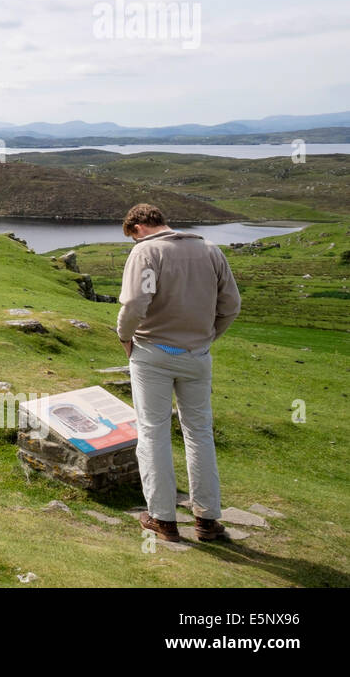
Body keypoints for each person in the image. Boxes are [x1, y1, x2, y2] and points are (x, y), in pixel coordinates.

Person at [116, 203, 242, 543]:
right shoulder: (210, 249)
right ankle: (207, 519)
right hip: (197, 355)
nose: (133, 242)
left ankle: (163, 519)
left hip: (152, 354)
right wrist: (208, 336)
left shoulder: (146, 252)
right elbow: (231, 304)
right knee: (199, 432)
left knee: (153, 431)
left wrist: (124, 336)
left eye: (132, 237)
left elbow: (134, 304)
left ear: (138, 227)